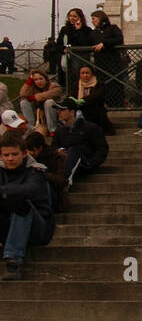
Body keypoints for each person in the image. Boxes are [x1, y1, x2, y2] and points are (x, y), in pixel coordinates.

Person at [0, 133, 56, 281]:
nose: (10, 158)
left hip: (38, 228)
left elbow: (31, 190)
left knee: (20, 203)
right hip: (8, 225)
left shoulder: (35, 171)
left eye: (14, 154)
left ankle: (13, 261)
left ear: (24, 154)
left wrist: (4, 194)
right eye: (6, 155)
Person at [53, 98, 109, 185]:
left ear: (72, 112)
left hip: (85, 162)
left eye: (62, 110)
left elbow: (101, 148)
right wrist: (59, 151)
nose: (59, 113)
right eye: (58, 110)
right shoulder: (59, 131)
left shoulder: (90, 128)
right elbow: (53, 147)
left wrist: (92, 163)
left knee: (74, 150)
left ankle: (66, 181)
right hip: (64, 161)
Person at [23, 129, 68, 212]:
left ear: (40, 147)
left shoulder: (56, 157)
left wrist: (43, 174)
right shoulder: (27, 159)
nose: (31, 153)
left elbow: (62, 181)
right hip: (34, 194)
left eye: (33, 150)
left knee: (43, 181)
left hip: (54, 194)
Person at [89, 10, 125, 107]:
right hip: (100, 63)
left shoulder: (113, 28)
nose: (92, 21)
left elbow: (119, 39)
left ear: (100, 18)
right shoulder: (93, 33)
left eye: (94, 19)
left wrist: (104, 43)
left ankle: (118, 106)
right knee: (103, 85)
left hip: (114, 62)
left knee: (115, 85)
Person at [75, 63, 116, 135]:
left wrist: (83, 100)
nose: (85, 75)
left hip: (95, 110)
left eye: (87, 73)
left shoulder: (99, 84)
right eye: (83, 73)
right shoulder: (76, 85)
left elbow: (96, 96)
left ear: (92, 74)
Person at [18, 69, 63, 134]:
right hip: (37, 113)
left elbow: (51, 93)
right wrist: (29, 82)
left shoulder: (54, 85)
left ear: (46, 79)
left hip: (54, 113)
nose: (38, 81)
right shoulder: (33, 88)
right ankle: (31, 129)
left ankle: (52, 130)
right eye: (35, 80)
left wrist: (35, 97)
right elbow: (22, 94)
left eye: (40, 79)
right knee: (24, 102)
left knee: (49, 102)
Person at [57, 8, 93, 83]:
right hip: (66, 58)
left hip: (81, 58)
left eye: (74, 16)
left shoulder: (87, 30)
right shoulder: (64, 29)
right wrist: (63, 49)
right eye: (70, 16)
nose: (72, 18)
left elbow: (85, 43)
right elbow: (59, 43)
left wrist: (79, 30)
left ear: (80, 18)